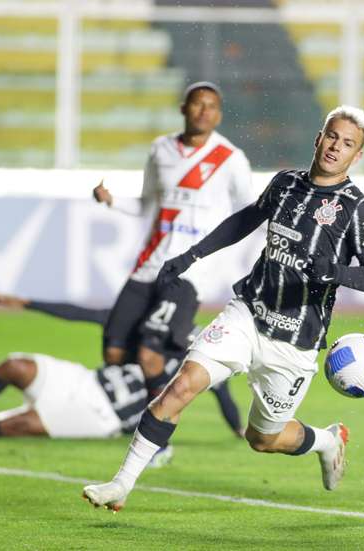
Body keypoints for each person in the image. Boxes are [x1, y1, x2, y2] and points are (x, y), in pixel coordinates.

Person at [81, 105, 364, 512]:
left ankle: (327, 440)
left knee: (262, 439)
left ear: (357, 156)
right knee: (182, 386)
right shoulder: (286, 183)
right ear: (319, 138)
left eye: (347, 143)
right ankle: (121, 484)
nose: (336, 147)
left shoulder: (357, 206)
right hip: (248, 314)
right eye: (332, 136)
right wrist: (191, 255)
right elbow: (246, 220)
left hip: (295, 341)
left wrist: (333, 271)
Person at [0, 294, 244, 451]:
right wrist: (26, 303)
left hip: (105, 417)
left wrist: (239, 429)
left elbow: (224, 397)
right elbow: (83, 313)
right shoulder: (146, 327)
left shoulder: (202, 354)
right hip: (85, 381)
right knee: (15, 365)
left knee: (19, 424)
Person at [92, 81, 253, 407]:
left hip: (188, 271)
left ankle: (154, 422)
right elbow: (146, 204)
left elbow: (250, 211)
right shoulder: (161, 149)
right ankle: (139, 401)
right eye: (197, 104)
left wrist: (219, 256)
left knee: (149, 353)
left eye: (211, 106)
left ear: (219, 115)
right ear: (183, 108)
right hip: (149, 264)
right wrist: (111, 200)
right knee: (114, 352)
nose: (203, 111)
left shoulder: (230, 159)